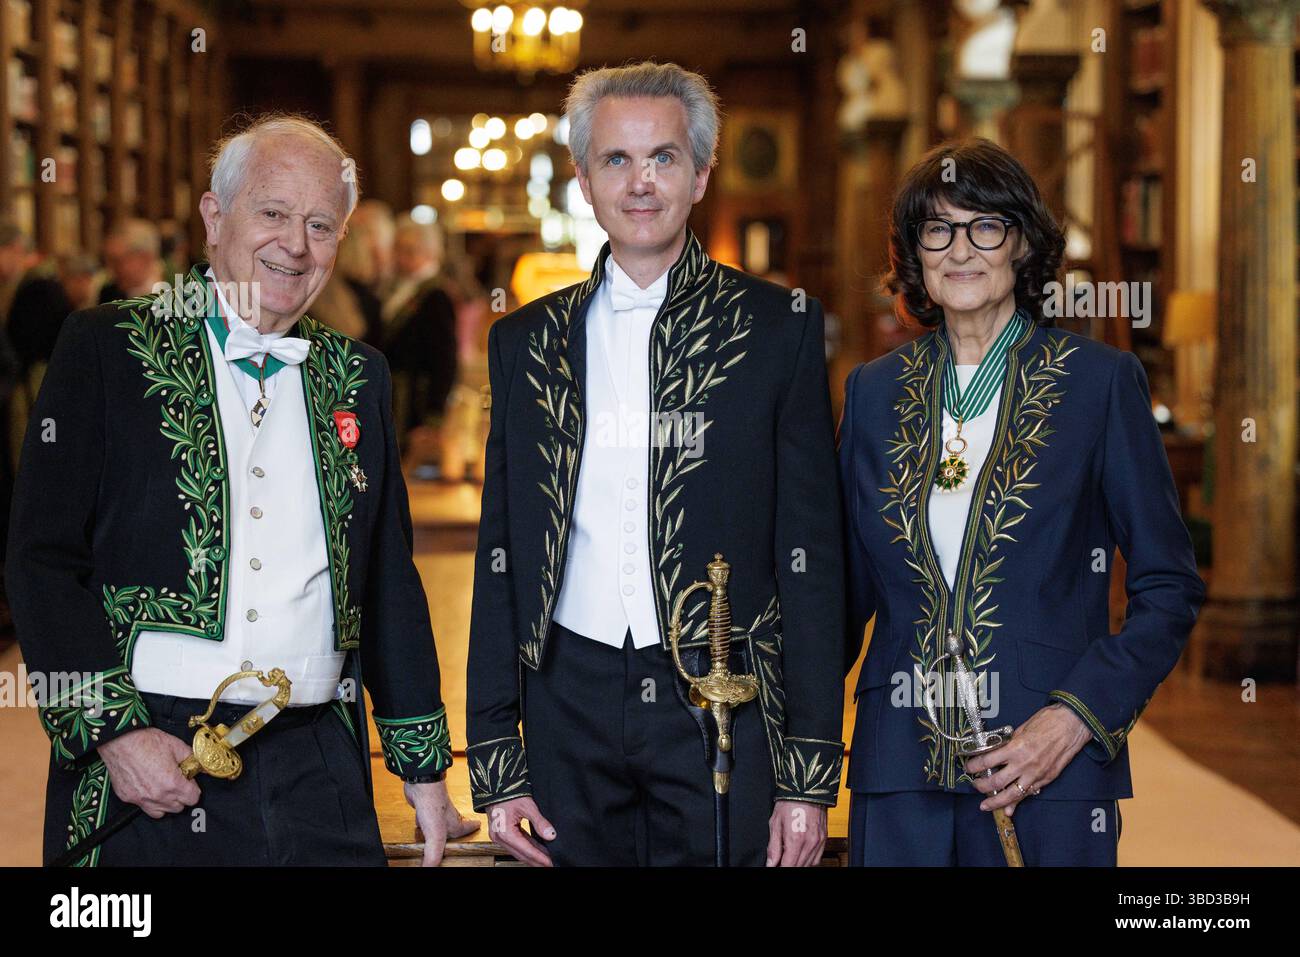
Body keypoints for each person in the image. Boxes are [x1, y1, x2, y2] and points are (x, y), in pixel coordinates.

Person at [8, 113, 475, 867]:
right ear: (214, 216)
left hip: (319, 757)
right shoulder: (105, 347)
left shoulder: (361, 375)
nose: (296, 243)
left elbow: (388, 581)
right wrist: (116, 734)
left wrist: (422, 768)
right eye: (274, 213)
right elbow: (41, 558)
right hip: (153, 755)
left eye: (322, 224)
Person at [466, 62, 846, 867]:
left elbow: (811, 563)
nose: (640, 183)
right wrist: (497, 756)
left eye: (664, 158)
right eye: (615, 160)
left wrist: (809, 775)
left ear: (702, 173)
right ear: (583, 178)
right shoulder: (524, 342)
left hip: (723, 695)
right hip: (565, 691)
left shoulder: (778, 329)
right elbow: (500, 556)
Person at [837, 138, 1205, 866]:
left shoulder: (1099, 385)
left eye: (985, 226)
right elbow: (839, 600)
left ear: (1024, 244)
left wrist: (1075, 718)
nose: (960, 248)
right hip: (897, 769)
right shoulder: (872, 393)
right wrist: (797, 757)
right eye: (936, 229)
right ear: (914, 253)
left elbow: (1170, 586)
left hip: (1048, 770)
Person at [379, 219, 459, 464]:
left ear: (429, 252)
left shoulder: (436, 294)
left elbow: (445, 359)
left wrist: (433, 417)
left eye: (410, 250)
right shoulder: (399, 286)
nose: (401, 257)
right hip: (394, 394)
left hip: (414, 401)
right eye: (399, 249)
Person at [98, 219, 165, 303]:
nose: (110, 269)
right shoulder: (107, 294)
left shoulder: (176, 293)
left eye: (117, 262)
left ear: (146, 258)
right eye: (108, 261)